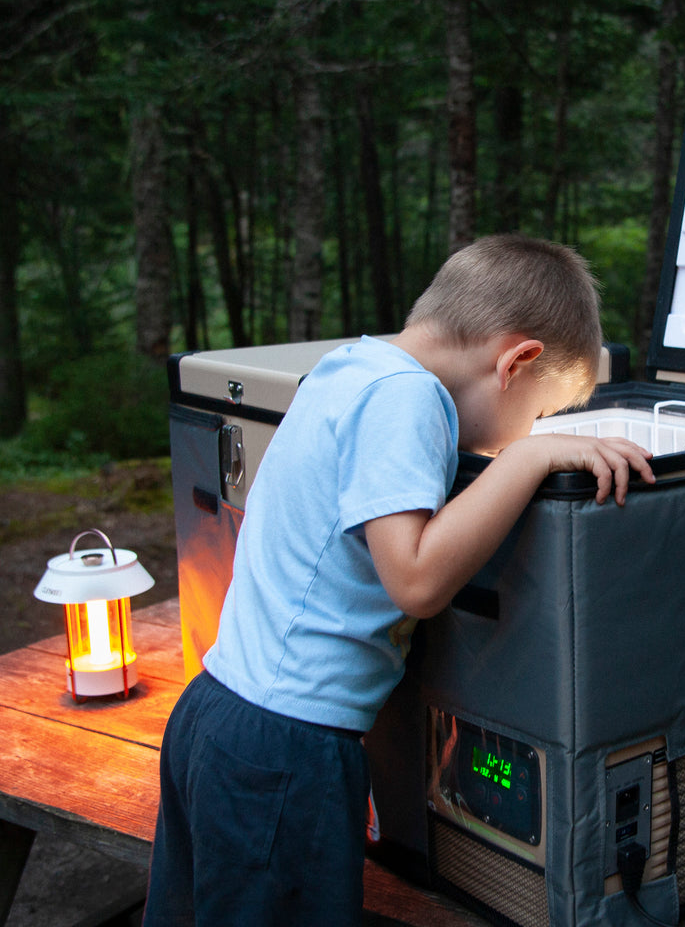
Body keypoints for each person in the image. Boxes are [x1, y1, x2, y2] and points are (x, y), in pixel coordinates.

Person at [143, 233, 655, 926]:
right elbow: (414, 579)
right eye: (536, 411)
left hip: (215, 716)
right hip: (286, 751)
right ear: (516, 361)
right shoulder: (406, 400)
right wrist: (529, 458)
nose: (522, 432)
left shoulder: (350, 368)